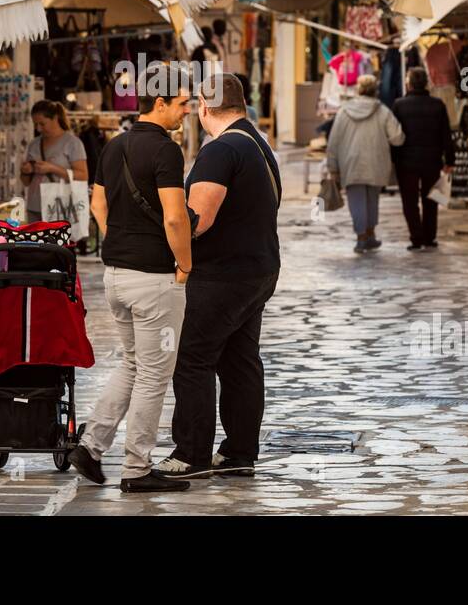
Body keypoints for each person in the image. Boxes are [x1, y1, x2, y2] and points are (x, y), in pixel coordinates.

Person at [67, 61, 195, 493]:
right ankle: (137, 468)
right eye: (181, 104)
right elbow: (176, 218)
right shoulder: (166, 151)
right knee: (155, 375)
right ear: (159, 103)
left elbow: (98, 207)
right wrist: (185, 266)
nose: (187, 112)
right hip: (154, 279)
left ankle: (91, 444)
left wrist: (121, 239)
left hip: (116, 274)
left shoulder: (113, 146)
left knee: (134, 363)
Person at [153, 73, 282, 481]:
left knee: (192, 357)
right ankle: (240, 450)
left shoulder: (220, 150)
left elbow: (197, 220)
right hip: (257, 270)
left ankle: (190, 454)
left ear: (205, 109)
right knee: (240, 360)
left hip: (223, 276)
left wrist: (167, 228)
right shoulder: (257, 144)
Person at [325, 74, 405, 254]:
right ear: (375, 90)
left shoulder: (344, 111)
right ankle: (370, 235)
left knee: (356, 201)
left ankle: (361, 237)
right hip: (376, 162)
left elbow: (334, 141)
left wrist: (332, 166)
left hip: (350, 163)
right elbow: (397, 138)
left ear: (358, 90)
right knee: (372, 199)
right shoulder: (382, 111)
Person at [391, 67, 455, 250]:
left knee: (409, 202)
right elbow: (446, 135)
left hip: (406, 162)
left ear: (409, 84)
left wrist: (394, 160)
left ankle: (416, 238)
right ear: (426, 83)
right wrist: (450, 161)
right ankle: (429, 237)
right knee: (431, 200)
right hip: (432, 160)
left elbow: (394, 136)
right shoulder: (437, 105)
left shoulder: (399, 105)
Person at [20, 100, 88, 224]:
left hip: (59, 207)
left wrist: (53, 168)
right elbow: (26, 182)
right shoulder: (34, 144)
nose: (38, 128)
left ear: (55, 118)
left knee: (57, 243)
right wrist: (25, 171)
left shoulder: (72, 143)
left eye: (42, 124)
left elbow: (83, 176)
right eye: (35, 124)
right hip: (34, 206)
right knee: (34, 243)